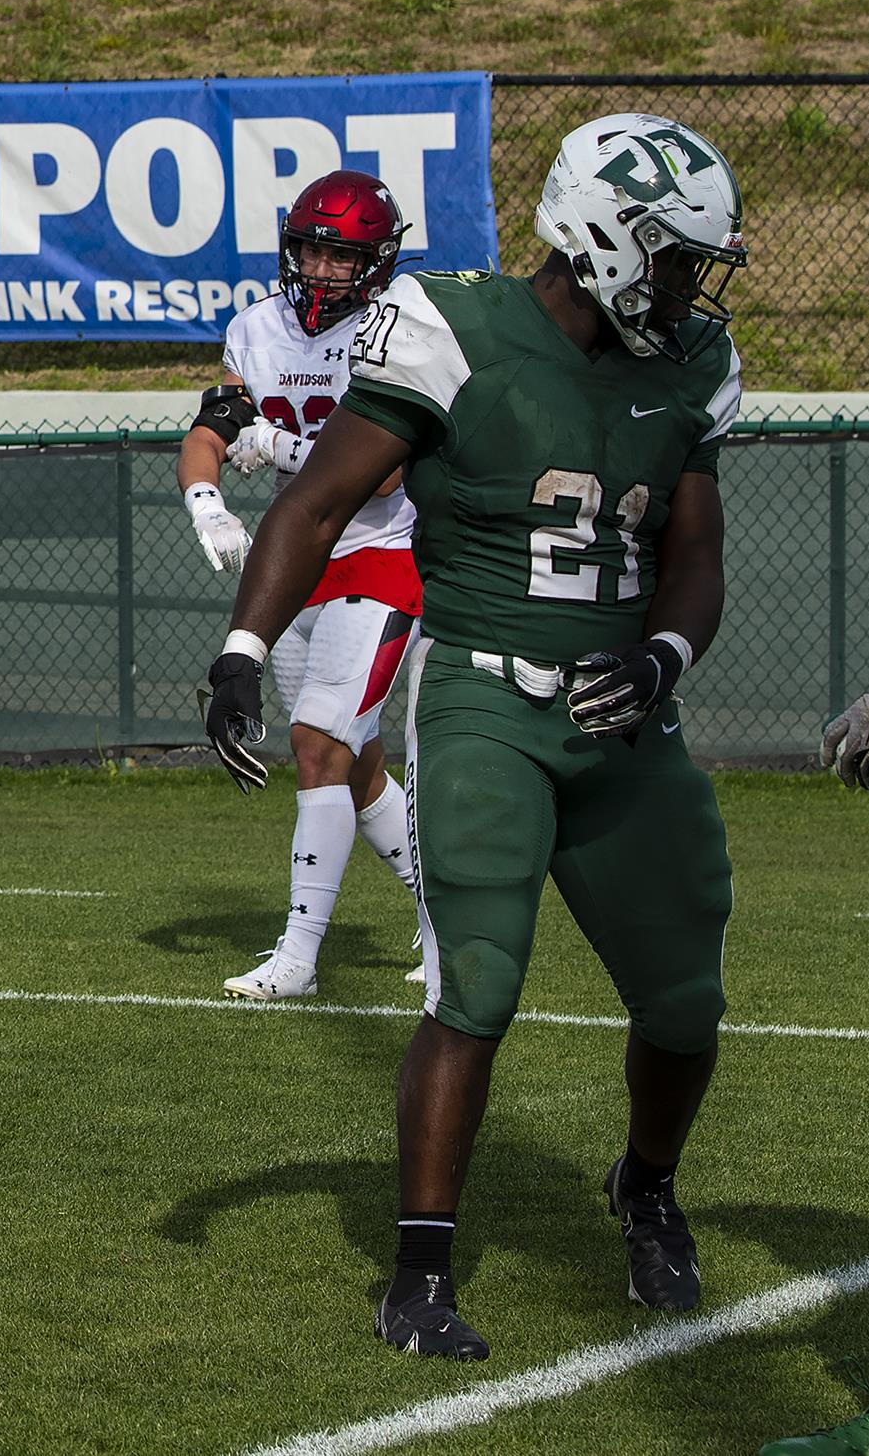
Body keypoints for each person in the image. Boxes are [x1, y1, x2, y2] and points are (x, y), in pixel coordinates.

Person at [207, 114, 748, 1364]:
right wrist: (242, 649)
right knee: (477, 985)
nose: (685, 286)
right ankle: (420, 1271)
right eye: (672, 257)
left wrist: (663, 654)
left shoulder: (692, 362)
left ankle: (647, 1186)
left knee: (685, 999)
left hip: (625, 714)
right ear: (606, 237)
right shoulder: (452, 328)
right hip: (488, 698)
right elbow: (318, 499)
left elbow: (696, 553)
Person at [180, 169, 425, 1001]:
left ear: (376, 262)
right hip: (297, 563)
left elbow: (384, 475)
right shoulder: (256, 328)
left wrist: (281, 448)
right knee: (352, 763)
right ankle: (444, 912)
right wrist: (208, 505)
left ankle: (299, 955)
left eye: (340, 256)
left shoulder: (399, 330)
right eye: (310, 252)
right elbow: (211, 429)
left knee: (319, 744)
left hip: (381, 553)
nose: (321, 270)